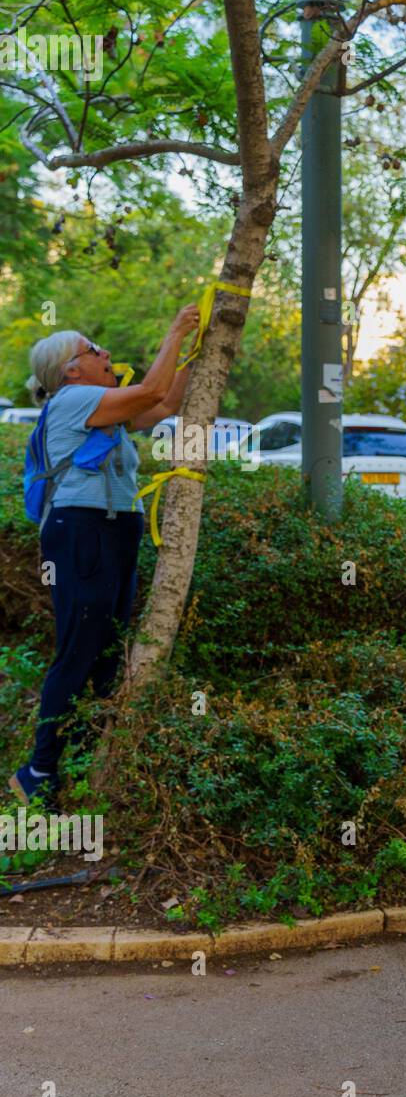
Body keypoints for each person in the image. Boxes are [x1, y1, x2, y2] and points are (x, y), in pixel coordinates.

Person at [9, 304, 200, 804]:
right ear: (71, 370)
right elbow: (153, 392)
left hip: (115, 529)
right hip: (81, 529)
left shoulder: (104, 407)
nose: (105, 352)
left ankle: (82, 760)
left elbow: (164, 406)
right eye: (93, 350)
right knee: (79, 647)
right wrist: (175, 328)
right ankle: (38, 771)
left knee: (108, 650)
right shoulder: (74, 399)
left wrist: (196, 351)